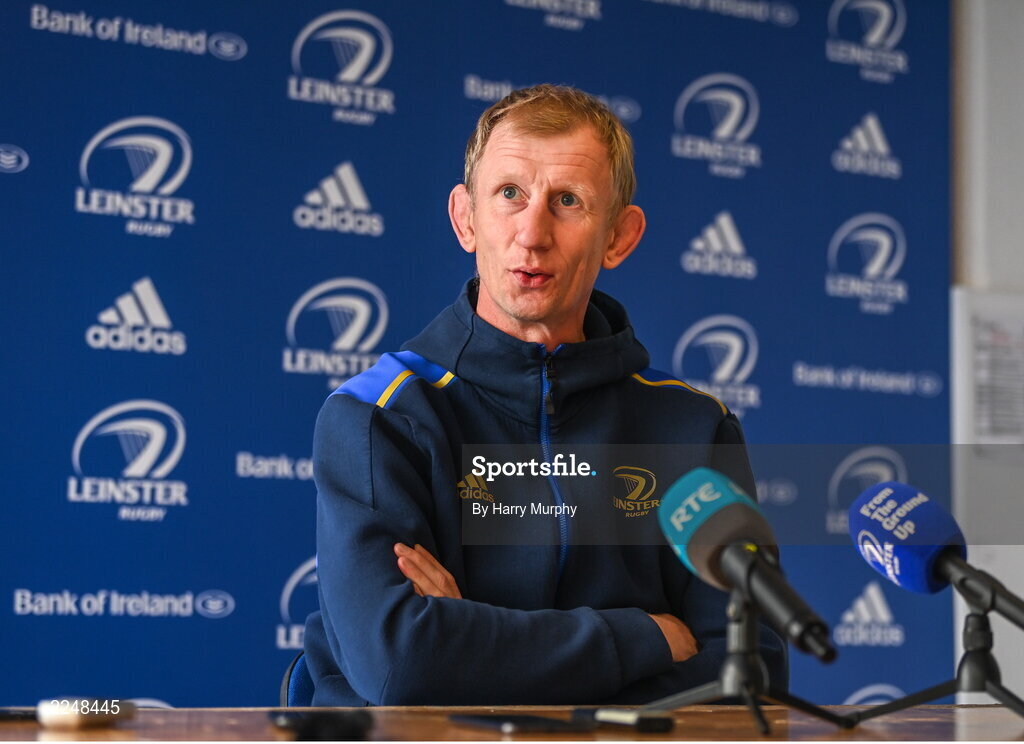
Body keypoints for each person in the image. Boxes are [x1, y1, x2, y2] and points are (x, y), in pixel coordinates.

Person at [303, 84, 787, 706]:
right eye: (510, 194)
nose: (532, 234)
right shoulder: (379, 417)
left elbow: (752, 679)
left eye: (568, 201)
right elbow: (401, 665)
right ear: (465, 218)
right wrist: (644, 637)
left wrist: (472, 644)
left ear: (618, 236)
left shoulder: (693, 429)